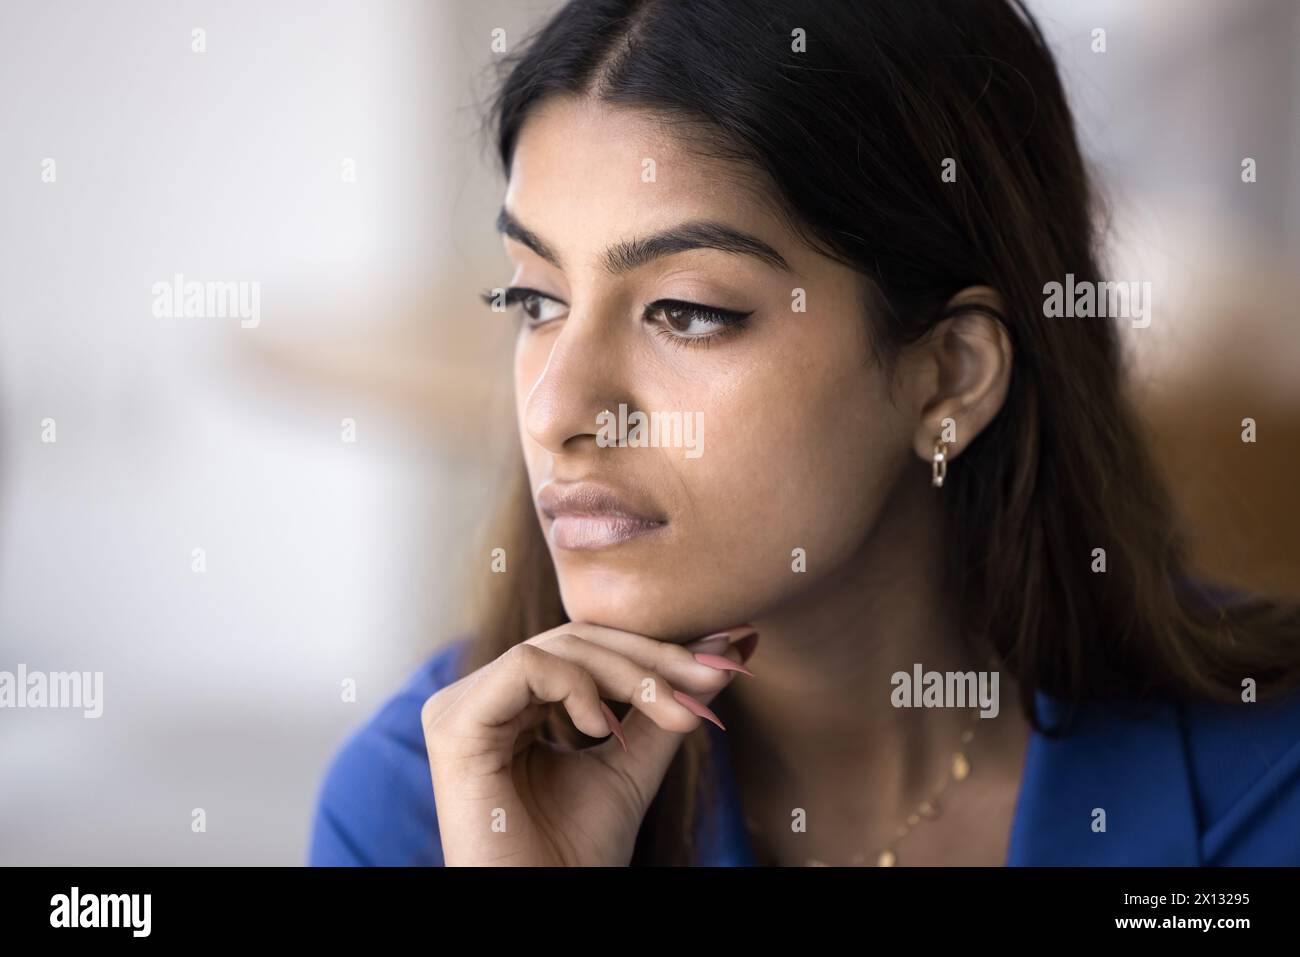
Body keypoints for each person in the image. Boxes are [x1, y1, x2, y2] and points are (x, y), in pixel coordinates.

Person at [309, 0, 1300, 866]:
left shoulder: (1266, 795)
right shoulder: (423, 808)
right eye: (534, 299)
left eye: (686, 311)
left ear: (949, 376)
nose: (557, 411)